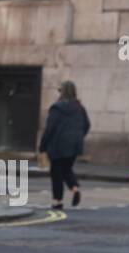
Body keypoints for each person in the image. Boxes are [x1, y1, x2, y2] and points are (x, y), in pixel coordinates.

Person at [38, 80, 90, 210]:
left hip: (57, 146)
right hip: (74, 146)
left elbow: (50, 128)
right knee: (66, 169)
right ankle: (74, 188)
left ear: (63, 92)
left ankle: (58, 201)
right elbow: (87, 125)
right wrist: (78, 137)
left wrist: (42, 145)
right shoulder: (80, 108)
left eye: (59, 90)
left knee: (56, 173)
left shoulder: (57, 108)